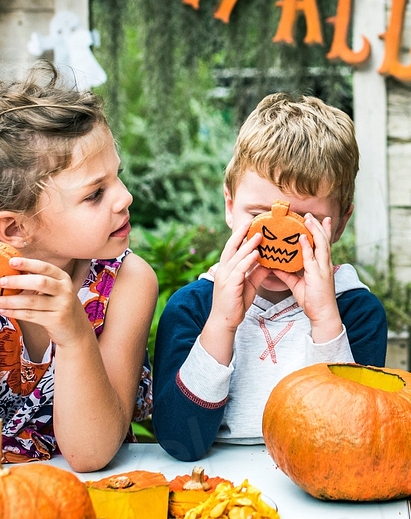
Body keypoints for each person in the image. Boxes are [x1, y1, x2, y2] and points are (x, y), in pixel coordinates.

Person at [0, 64, 157, 472]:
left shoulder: (126, 282)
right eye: (95, 194)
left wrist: (76, 337)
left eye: (117, 178)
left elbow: (91, 452)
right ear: (15, 227)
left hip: (90, 495)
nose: (124, 198)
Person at [153, 93, 388, 461]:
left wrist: (325, 322)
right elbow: (181, 442)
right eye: (260, 215)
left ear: (340, 223)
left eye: (302, 223)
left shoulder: (356, 311)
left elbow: (349, 440)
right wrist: (221, 325)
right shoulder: (193, 308)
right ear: (230, 207)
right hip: (216, 487)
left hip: (319, 485)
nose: (278, 239)